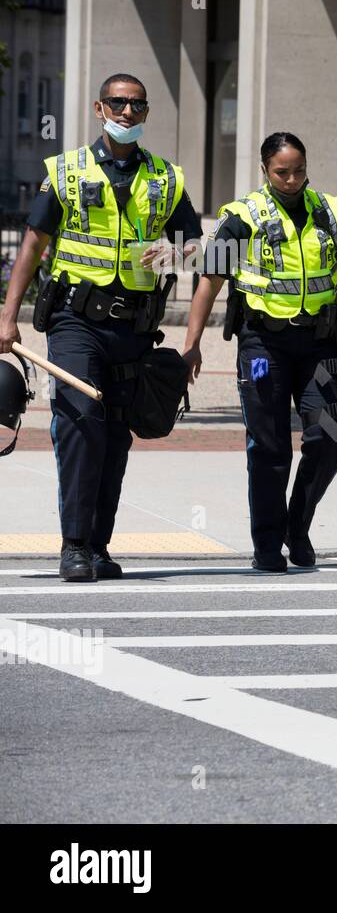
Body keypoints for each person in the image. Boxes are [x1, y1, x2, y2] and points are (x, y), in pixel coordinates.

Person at [0, 73, 202, 581]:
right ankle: (72, 544)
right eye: (118, 103)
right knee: (79, 423)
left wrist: (173, 251)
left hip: (134, 326)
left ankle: (98, 544)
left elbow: (197, 246)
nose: (127, 112)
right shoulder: (66, 171)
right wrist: (7, 317)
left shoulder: (165, 178)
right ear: (99, 107)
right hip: (74, 319)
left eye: (136, 105)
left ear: (146, 112)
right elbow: (32, 245)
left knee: (115, 435)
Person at [182, 131, 337, 571]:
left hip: (320, 343)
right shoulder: (242, 217)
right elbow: (208, 281)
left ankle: (297, 526)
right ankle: (267, 544)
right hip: (263, 344)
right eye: (281, 172)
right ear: (265, 171)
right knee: (269, 446)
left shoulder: (328, 211)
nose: (291, 179)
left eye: (299, 170)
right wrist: (191, 346)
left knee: (328, 435)